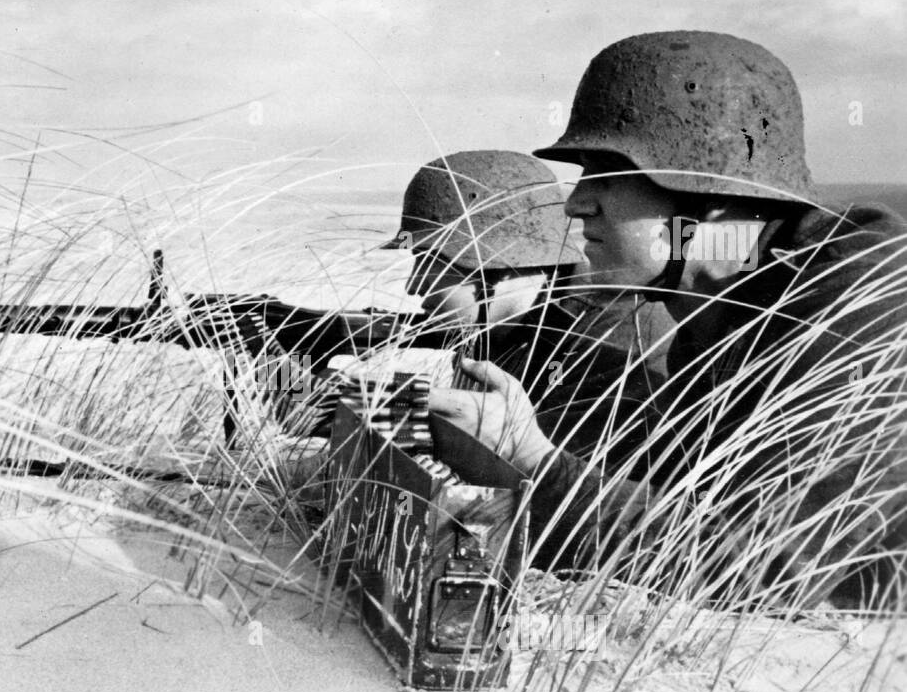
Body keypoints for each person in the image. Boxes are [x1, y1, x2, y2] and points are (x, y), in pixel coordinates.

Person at [428, 31, 907, 609]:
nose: (576, 203)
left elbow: (763, 570)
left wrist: (532, 464)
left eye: (606, 174)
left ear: (710, 199)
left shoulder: (860, 305)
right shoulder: (723, 308)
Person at [386, 149, 668, 464]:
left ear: (501, 266)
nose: (414, 285)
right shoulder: (499, 322)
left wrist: (386, 413)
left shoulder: (611, 345)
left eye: (434, 263)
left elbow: (513, 483)